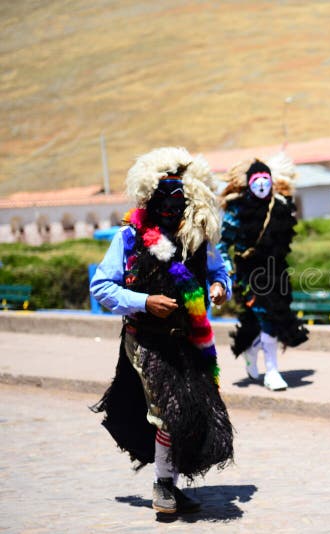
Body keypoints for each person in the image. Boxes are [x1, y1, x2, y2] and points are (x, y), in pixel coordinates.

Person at [90, 147, 234, 515]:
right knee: (168, 411)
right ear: (150, 196)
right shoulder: (129, 237)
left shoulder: (198, 237)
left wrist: (219, 287)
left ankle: (169, 481)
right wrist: (144, 301)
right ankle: (162, 488)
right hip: (145, 340)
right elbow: (102, 287)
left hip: (188, 339)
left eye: (178, 197)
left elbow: (219, 271)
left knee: (192, 411)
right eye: (163, 196)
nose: (171, 205)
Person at [217, 153, 308, 391]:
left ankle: (252, 349)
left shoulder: (279, 206)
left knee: (273, 318)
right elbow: (222, 245)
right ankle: (272, 371)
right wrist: (226, 270)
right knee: (266, 319)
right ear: (248, 182)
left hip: (277, 273)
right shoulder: (236, 211)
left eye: (265, 178)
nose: (261, 183)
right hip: (249, 275)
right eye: (256, 178)